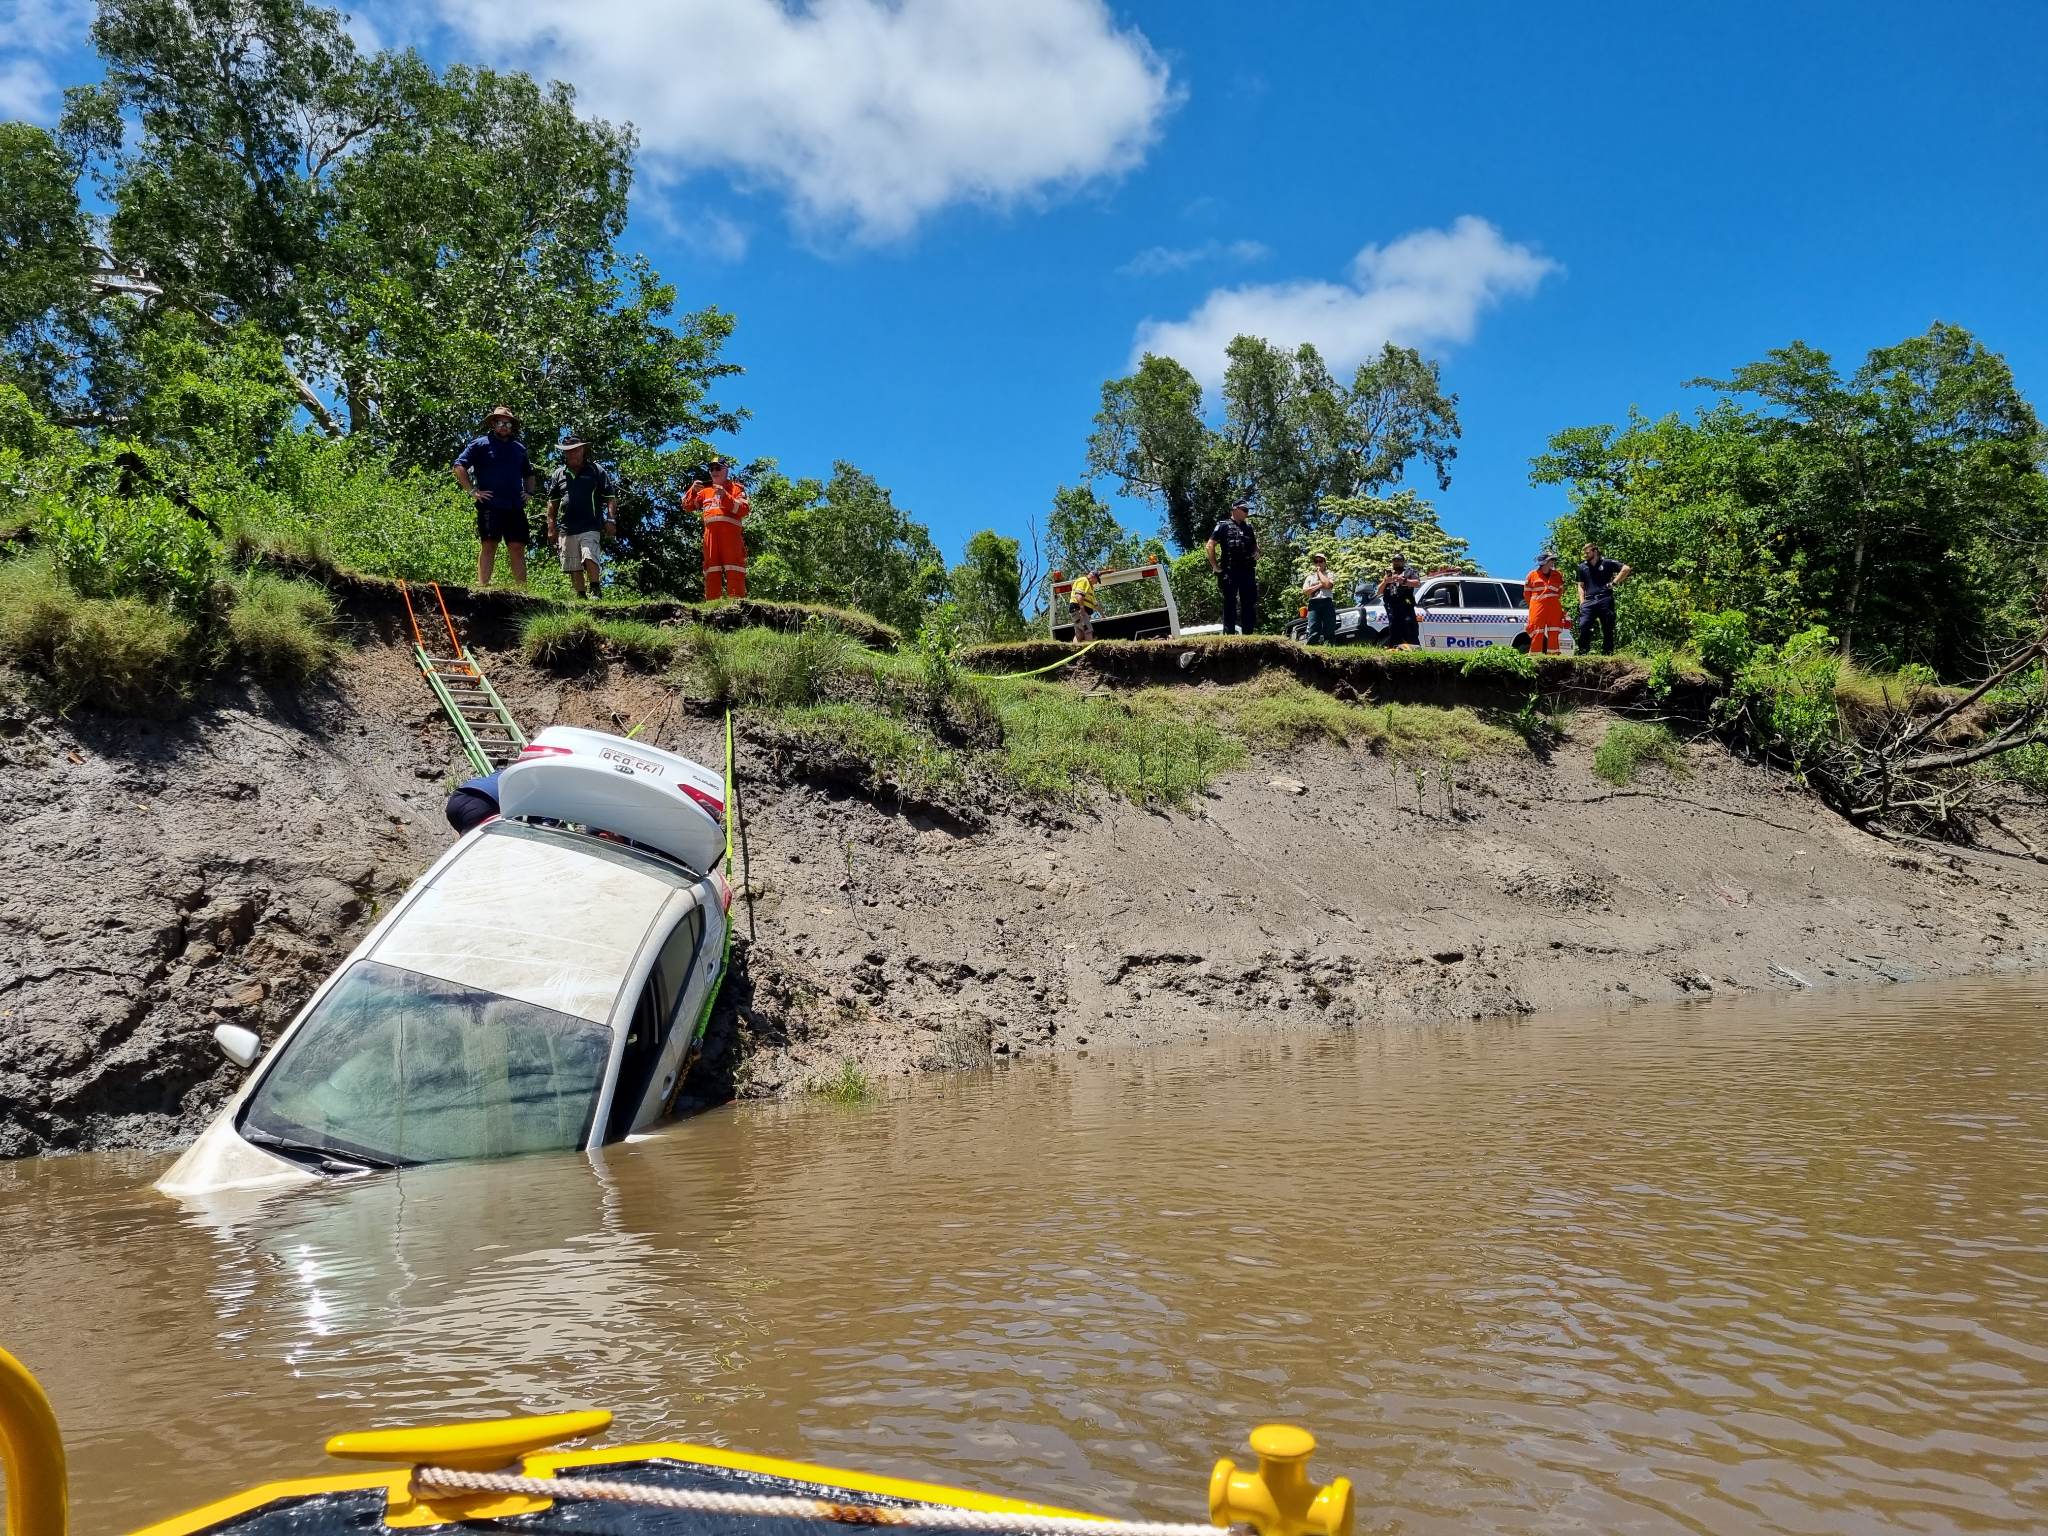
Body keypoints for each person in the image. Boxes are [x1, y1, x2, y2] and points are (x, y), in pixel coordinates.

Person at [453, 405, 536, 589]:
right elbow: (459, 466)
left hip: (515, 505)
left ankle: (522, 590)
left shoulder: (519, 448)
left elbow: (529, 473)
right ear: (493, 423)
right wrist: (472, 490)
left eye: (508, 423)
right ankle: (483, 585)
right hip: (490, 504)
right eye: (500, 422)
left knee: (517, 546)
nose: (504, 426)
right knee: (489, 543)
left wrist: (529, 492)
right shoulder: (480, 444)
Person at [544, 432, 617, 599]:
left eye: (575, 450)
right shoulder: (559, 474)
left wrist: (611, 519)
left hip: (590, 525)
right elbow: (552, 503)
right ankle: (581, 596)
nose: (572, 453)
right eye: (568, 450)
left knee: (589, 554)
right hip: (566, 527)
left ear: (583, 450)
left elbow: (610, 498)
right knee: (572, 563)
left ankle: (595, 589)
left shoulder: (596, 470)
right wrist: (551, 527)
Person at [684, 457, 751, 600]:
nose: (714, 471)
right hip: (710, 535)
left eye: (718, 468)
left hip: (731, 536)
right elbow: (687, 506)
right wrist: (692, 490)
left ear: (726, 470)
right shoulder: (705, 491)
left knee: (735, 567)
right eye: (711, 469)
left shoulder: (736, 488)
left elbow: (744, 509)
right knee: (711, 568)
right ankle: (712, 603)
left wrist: (725, 496)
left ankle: (736, 603)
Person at [1205, 500, 1259, 634]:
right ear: (1235, 509)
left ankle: (1248, 635)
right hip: (1230, 570)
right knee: (1230, 602)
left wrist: (1257, 553)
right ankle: (1229, 635)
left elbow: (1256, 548)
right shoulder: (1223, 526)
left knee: (1249, 603)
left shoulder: (1248, 528)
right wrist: (1215, 566)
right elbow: (1210, 545)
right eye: (1244, 510)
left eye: (1248, 511)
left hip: (1247, 570)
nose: (1247, 513)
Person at [1574, 542, 1632, 655]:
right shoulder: (1582, 567)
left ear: (1595, 551)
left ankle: (1607, 653)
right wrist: (1582, 602)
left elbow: (1626, 568)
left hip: (1604, 598)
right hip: (1589, 601)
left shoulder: (1607, 562)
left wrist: (1614, 583)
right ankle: (1583, 652)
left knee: (1607, 627)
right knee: (1584, 625)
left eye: (1587, 552)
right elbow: (1580, 586)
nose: (1585, 555)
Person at [1524, 550, 1567, 654]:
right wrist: (1536, 605)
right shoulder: (1532, 575)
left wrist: (1552, 602)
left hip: (1554, 608)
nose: (1553, 562)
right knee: (1537, 631)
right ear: (1544, 562)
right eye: (1551, 560)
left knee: (1554, 631)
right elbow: (1526, 595)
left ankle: (1554, 657)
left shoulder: (1557, 575)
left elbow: (1561, 591)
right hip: (1537, 608)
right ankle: (1535, 657)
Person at [1378, 554, 1421, 648]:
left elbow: (1417, 583)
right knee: (1394, 631)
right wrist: (1385, 582)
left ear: (1403, 562)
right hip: (1392, 608)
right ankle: (1394, 650)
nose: (1396, 562)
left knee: (1410, 630)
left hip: (1406, 606)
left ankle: (1413, 651)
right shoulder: (1388, 574)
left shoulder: (1410, 572)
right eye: (1394, 560)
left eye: (1398, 560)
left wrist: (1404, 581)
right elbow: (1379, 592)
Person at [445, 771, 501, 835]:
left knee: (467, 840)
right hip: (482, 803)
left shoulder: (502, 773)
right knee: (473, 840)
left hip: (457, 798)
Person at [1301, 553, 1338, 645]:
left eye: (1320, 561)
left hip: (1327, 602)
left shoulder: (1330, 574)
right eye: (1316, 561)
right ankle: (1311, 651)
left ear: (1325, 563)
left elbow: (1328, 585)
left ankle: (1329, 650)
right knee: (1313, 628)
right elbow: (1305, 591)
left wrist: (1319, 573)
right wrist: (1320, 585)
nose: (1318, 563)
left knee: (1329, 628)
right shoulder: (1309, 577)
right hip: (1313, 603)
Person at [1068, 566, 1102, 641]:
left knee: (1079, 633)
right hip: (1079, 611)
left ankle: (1074, 650)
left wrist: (1102, 615)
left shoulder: (1090, 587)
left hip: (1077, 611)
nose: (1096, 582)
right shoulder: (1084, 581)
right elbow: (1078, 596)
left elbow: (1095, 604)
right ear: (1093, 576)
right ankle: (1089, 651)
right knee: (1088, 631)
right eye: (1097, 580)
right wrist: (1082, 610)